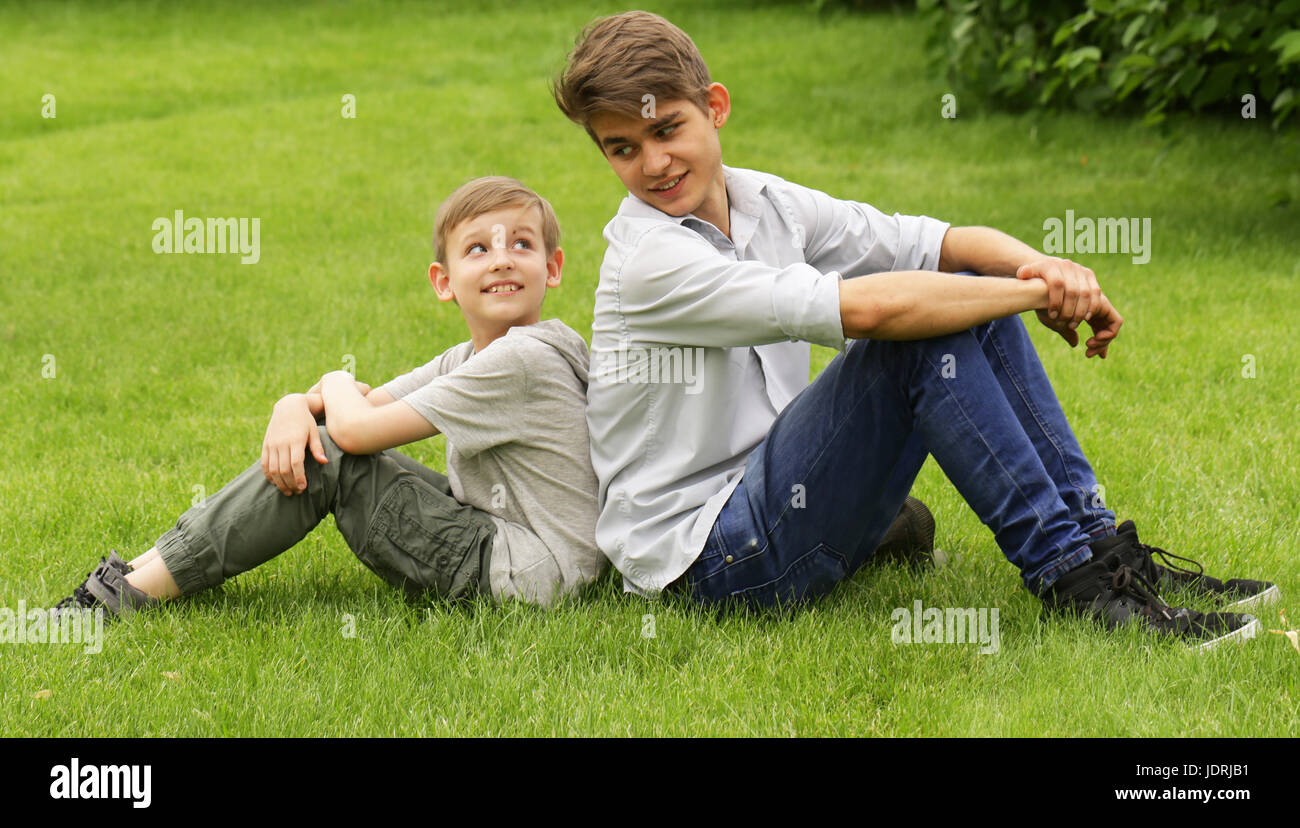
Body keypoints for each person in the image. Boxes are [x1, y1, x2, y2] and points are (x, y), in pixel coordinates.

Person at [551, 11, 1277, 647]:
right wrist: (1021, 296)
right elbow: (870, 311)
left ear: (715, 107)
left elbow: (938, 242)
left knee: (961, 294)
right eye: (622, 148)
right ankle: (1074, 583)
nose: (653, 162)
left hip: (775, 496)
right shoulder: (648, 263)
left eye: (666, 129)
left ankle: (1103, 554)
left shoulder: (761, 199)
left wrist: (1047, 269)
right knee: (925, 332)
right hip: (710, 563)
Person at [53, 176, 606, 617]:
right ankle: (139, 574)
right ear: (444, 281)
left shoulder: (522, 360)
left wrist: (331, 387)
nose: (502, 259)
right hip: (521, 549)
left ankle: (123, 596)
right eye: (479, 248)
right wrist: (291, 404)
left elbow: (354, 428)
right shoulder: (475, 357)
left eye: (522, 245)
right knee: (327, 443)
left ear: (552, 268)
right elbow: (357, 407)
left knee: (331, 455)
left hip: (533, 575)